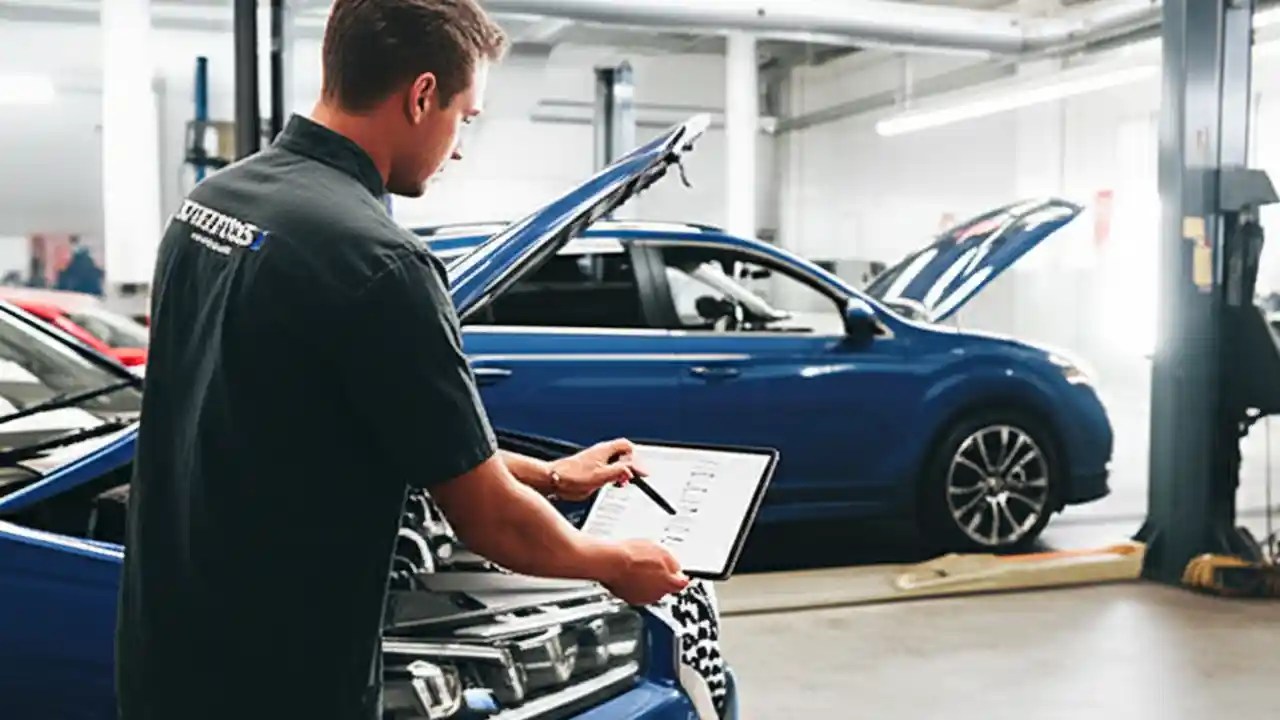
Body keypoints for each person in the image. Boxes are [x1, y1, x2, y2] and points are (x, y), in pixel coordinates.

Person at [114, 1, 688, 719]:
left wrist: (550, 476)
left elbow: (347, 429)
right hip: (279, 676)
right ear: (421, 96)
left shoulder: (210, 204)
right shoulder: (380, 262)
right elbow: (491, 523)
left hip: (165, 653)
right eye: (465, 118)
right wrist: (612, 563)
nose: (457, 148)